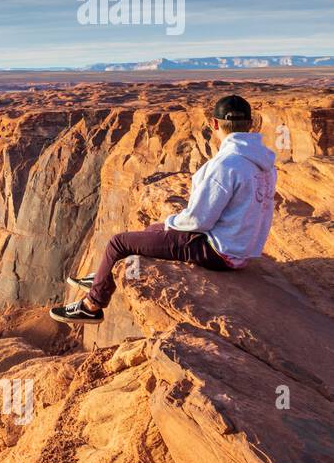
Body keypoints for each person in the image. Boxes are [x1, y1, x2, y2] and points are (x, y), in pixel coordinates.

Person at [50, 94, 276, 325]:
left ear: (215, 124)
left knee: (119, 243)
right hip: (241, 249)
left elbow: (198, 220)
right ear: (251, 124)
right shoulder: (265, 163)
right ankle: (103, 276)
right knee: (153, 231)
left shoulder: (226, 165)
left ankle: (92, 306)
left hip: (218, 252)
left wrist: (172, 222)